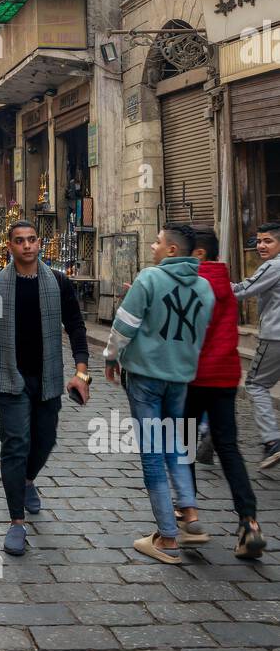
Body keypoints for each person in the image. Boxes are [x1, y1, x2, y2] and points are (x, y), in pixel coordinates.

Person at [0, 220, 91, 556]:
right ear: (10, 246)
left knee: (46, 439)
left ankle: (27, 481)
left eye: (32, 239)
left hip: (48, 377)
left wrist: (82, 373)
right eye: (19, 241)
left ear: (40, 244)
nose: (26, 246)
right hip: (10, 377)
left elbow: (77, 329)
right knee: (15, 445)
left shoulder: (59, 284)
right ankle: (16, 522)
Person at [104, 222, 214, 566]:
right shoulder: (206, 289)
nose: (152, 245)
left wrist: (110, 357)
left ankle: (167, 538)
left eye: (158, 241)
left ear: (171, 250)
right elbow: (200, 334)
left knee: (153, 453)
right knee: (176, 446)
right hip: (179, 378)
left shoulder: (149, 279)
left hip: (146, 377)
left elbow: (124, 326)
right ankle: (190, 514)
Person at [185, 229, 266, 559]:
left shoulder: (193, 285)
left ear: (199, 254)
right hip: (225, 376)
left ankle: (187, 519)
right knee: (229, 448)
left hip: (192, 377)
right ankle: (249, 522)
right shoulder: (226, 285)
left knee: (183, 446)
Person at [231, 222, 280, 470]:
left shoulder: (273, 266)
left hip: (275, 337)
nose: (261, 245)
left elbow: (242, 290)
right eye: (259, 241)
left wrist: (209, 282)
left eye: (268, 241)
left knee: (255, 384)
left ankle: (272, 441)